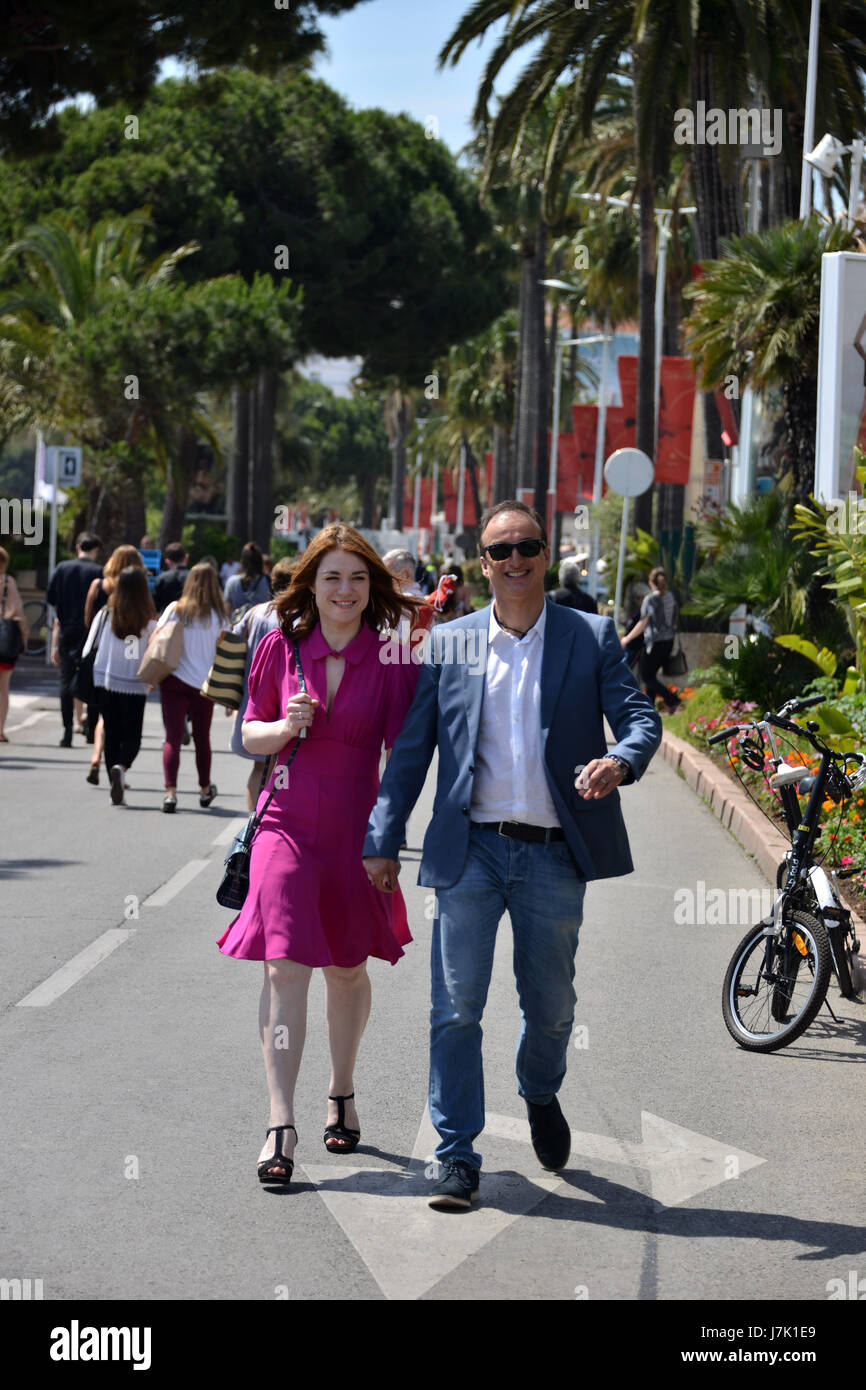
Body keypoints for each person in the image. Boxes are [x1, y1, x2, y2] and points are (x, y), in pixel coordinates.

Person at [362, 499, 662, 1211]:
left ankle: (539, 1090)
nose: (516, 560)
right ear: (484, 563)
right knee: (457, 1005)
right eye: (502, 551)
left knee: (551, 1008)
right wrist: (382, 837)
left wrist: (620, 759)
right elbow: (411, 753)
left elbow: (640, 716)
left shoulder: (588, 636)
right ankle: (456, 1155)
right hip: (470, 851)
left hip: (555, 855)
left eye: (528, 546)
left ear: (544, 554)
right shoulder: (453, 642)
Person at [216, 524, 419, 1187]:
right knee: (284, 968)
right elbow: (249, 731)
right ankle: (280, 1120)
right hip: (286, 824)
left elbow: (403, 757)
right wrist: (283, 726)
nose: (345, 590)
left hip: (357, 834)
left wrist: (387, 841)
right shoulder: (279, 646)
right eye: (332, 577)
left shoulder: (391, 659)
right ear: (311, 584)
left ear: (373, 587)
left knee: (346, 970)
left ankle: (342, 1089)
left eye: (358, 578)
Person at [83, 566, 157, 806]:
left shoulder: (106, 614)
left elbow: (88, 648)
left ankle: (113, 774)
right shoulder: (147, 621)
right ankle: (122, 766)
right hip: (135, 683)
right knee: (133, 735)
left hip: (105, 679)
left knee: (111, 733)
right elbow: (143, 651)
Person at [229, 556, 297, 812]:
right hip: (286, 697)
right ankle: (273, 816)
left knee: (259, 765)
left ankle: (253, 819)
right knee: (283, 763)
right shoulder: (299, 614)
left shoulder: (256, 612)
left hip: (253, 695)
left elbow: (233, 642)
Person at [155, 562, 224, 812]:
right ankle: (205, 789)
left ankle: (170, 792)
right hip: (205, 685)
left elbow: (157, 636)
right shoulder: (219, 615)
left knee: (172, 737)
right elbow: (226, 651)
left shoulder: (176, 609)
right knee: (202, 738)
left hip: (174, 679)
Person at [47, 532, 103, 746]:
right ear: (95, 549)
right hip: (91, 631)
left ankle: (68, 730)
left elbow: (51, 598)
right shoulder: (98, 572)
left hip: (67, 629)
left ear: (78, 546)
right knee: (92, 679)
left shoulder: (62, 568)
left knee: (65, 680)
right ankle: (90, 729)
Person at [620, 566, 681, 714]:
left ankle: (672, 699)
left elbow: (643, 622)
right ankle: (650, 707)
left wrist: (627, 638)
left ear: (651, 582)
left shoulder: (650, 599)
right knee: (651, 675)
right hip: (668, 642)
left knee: (646, 676)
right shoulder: (670, 597)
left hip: (654, 643)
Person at [0, 547, 28, 741]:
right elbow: (18, 612)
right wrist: (24, 639)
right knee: (3, 687)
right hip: (5, 641)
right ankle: (0, 729)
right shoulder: (8, 582)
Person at [224, 542, 271, 619]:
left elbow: (227, 611)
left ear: (243, 560)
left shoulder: (231, 582)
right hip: (261, 629)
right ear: (260, 561)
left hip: (237, 628)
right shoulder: (268, 581)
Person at [153, 543, 190, 614]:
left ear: (168, 561)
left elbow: (155, 607)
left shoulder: (162, 578)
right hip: (190, 620)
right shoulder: (194, 578)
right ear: (186, 558)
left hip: (167, 619)